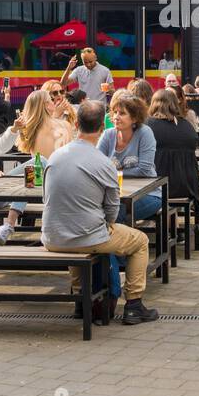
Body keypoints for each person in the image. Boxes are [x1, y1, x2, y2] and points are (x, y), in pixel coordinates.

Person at [41, 100, 158, 325]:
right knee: (140, 241)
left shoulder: (55, 156)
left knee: (73, 237)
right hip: (86, 235)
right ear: (102, 129)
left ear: (76, 123)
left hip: (52, 237)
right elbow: (112, 213)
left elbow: (46, 198)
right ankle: (134, 305)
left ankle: (80, 301)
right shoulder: (104, 164)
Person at [97, 91, 162, 227]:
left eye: (122, 113)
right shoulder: (108, 135)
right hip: (115, 194)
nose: (116, 117)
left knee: (114, 213)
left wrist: (115, 173)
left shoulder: (145, 133)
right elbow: (97, 166)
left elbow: (144, 170)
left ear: (134, 118)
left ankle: (116, 246)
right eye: (115, 112)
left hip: (149, 194)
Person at [17, 89, 74, 159]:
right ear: (47, 105)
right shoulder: (64, 125)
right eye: (51, 99)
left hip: (40, 169)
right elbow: (71, 154)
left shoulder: (29, 130)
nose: (53, 102)